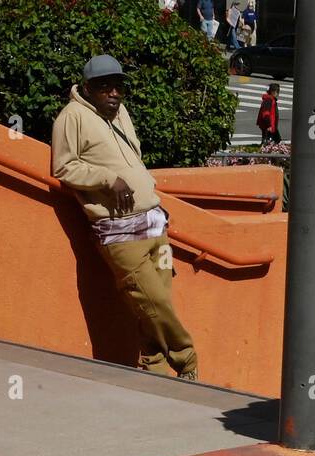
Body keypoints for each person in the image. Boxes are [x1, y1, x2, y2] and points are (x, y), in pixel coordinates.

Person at [52, 55, 199, 379]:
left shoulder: (120, 114)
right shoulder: (71, 117)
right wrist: (107, 179)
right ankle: (187, 359)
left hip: (154, 226)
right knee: (154, 301)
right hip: (120, 233)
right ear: (88, 88)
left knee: (154, 306)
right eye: (105, 87)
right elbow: (64, 167)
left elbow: (135, 159)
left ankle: (156, 373)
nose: (114, 93)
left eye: (118, 86)